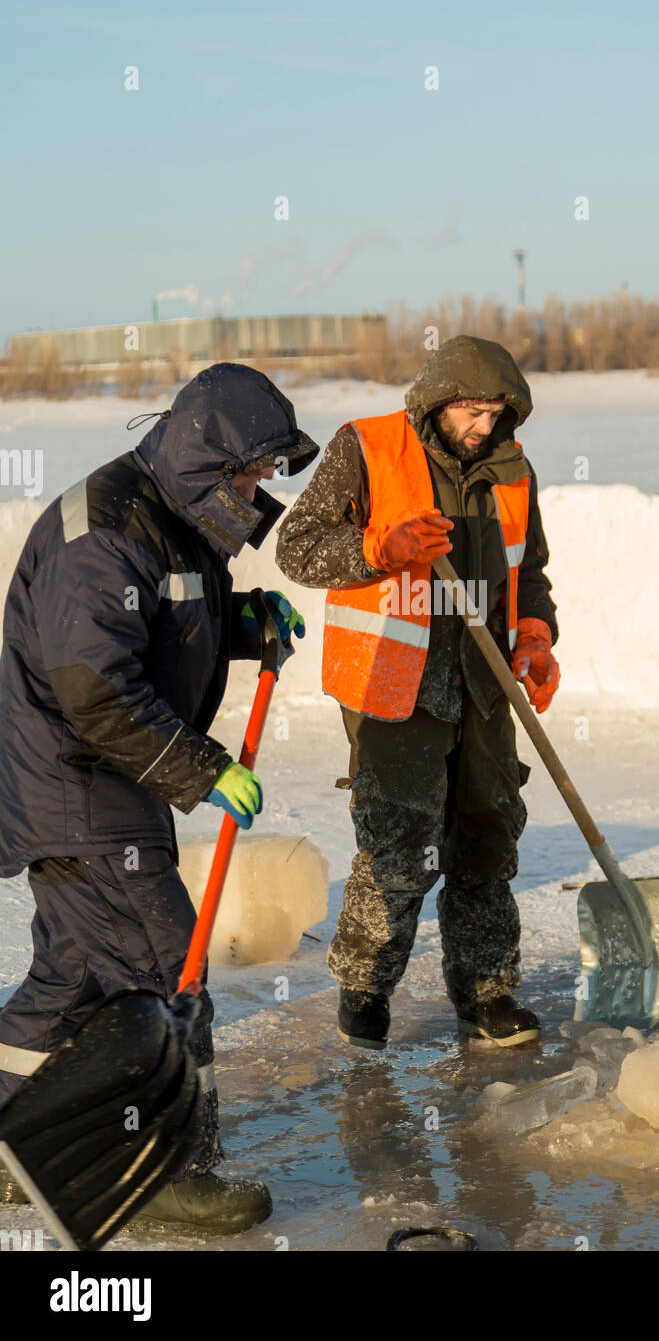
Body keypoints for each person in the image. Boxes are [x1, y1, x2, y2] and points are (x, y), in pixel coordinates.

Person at [0, 362, 317, 1233]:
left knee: (67, 982)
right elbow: (96, 690)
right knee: (165, 970)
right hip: (81, 786)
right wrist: (202, 767)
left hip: (98, 784)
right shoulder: (102, 535)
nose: (255, 493)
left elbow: (166, 622)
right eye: (248, 475)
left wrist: (249, 623)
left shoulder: (171, 516)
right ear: (206, 460)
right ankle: (174, 1168)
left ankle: (4, 1138)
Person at [276, 335, 559, 1050]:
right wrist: (378, 550)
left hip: (484, 686)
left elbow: (531, 571)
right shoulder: (366, 448)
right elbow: (297, 547)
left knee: (487, 842)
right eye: (470, 409)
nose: (482, 426)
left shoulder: (513, 469)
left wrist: (536, 634)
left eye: (495, 412)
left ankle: (488, 996)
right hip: (394, 686)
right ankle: (366, 990)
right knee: (399, 849)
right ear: (437, 402)